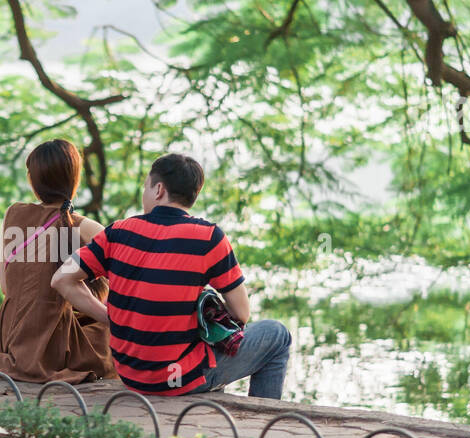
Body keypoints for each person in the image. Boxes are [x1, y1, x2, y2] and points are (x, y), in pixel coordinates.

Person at [50, 153, 290, 397]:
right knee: (278, 335)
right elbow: (242, 314)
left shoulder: (117, 232)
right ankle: (262, 428)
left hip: (131, 375)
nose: (145, 193)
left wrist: (110, 317)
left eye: (146, 187)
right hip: (176, 379)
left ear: (159, 190)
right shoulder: (209, 237)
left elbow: (61, 279)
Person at [0, 139, 117, 384]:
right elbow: (128, 271)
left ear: (33, 181)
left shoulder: (12, 214)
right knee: (112, 327)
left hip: (10, 337)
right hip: (48, 347)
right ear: (73, 179)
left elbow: (6, 287)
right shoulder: (84, 226)